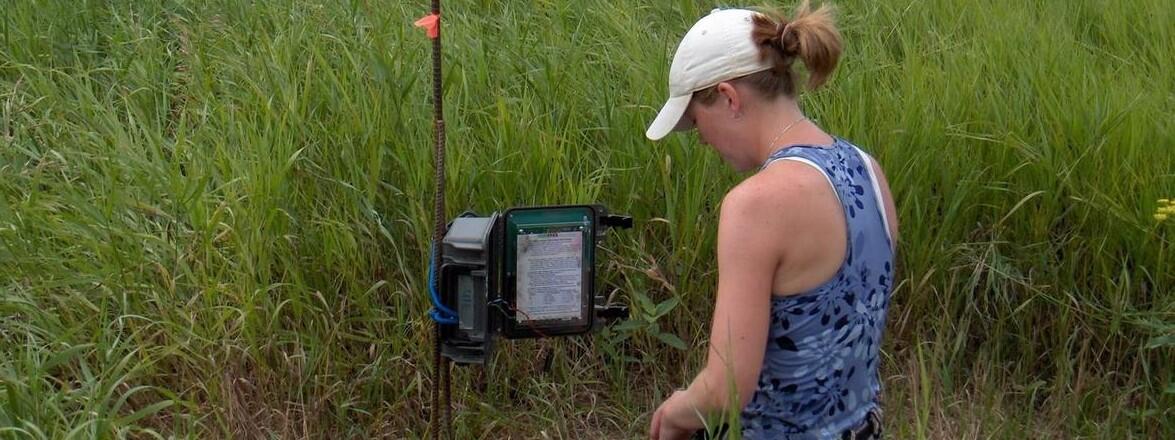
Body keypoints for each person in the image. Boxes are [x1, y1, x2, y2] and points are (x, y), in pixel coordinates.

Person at [644, 2, 899, 439]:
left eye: (694, 120)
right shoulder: (867, 169)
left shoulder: (755, 205)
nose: (702, 138)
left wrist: (673, 414)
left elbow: (725, 391)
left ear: (728, 97)